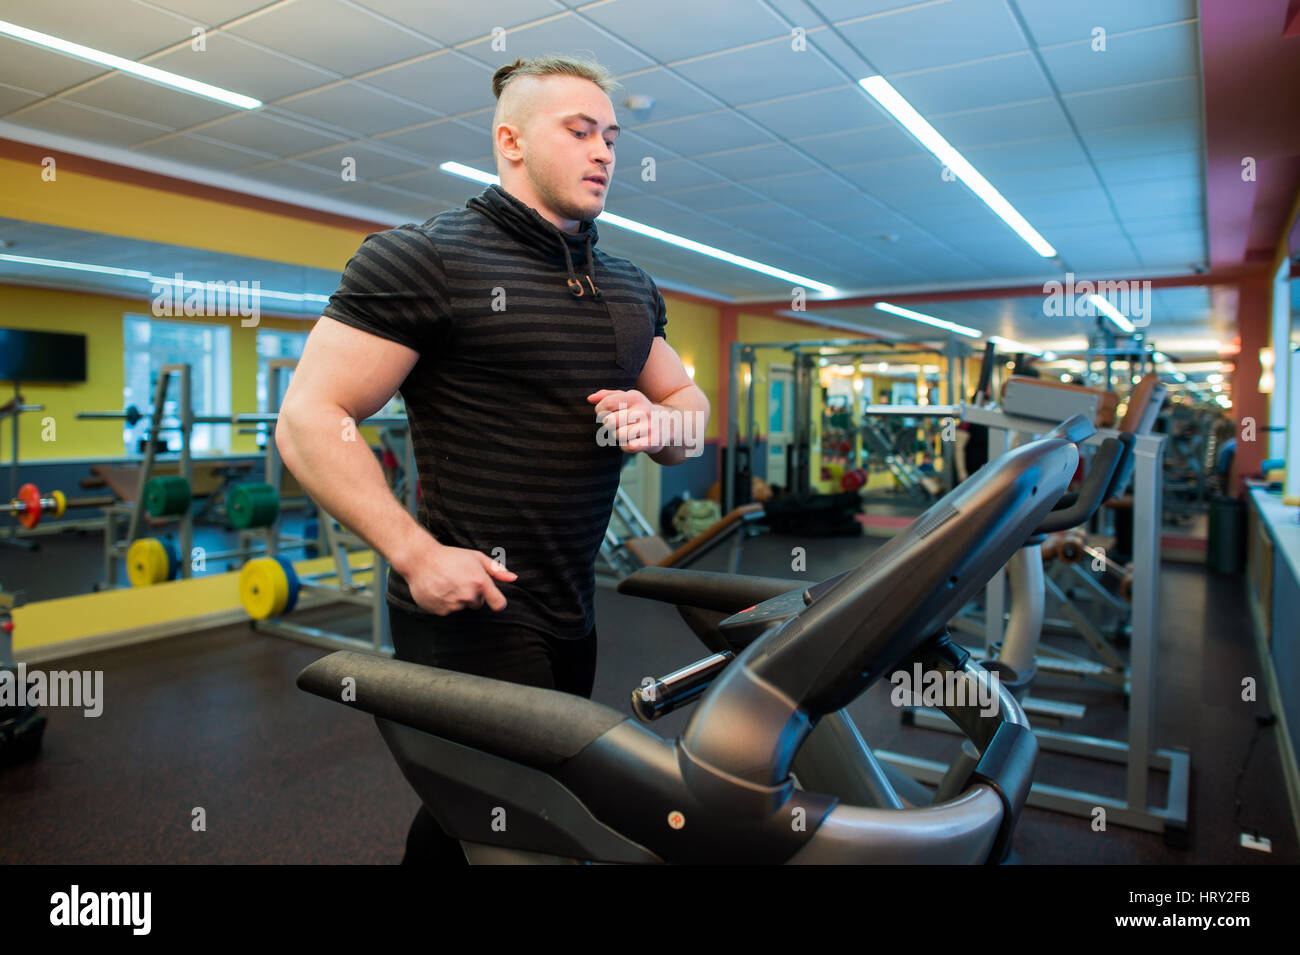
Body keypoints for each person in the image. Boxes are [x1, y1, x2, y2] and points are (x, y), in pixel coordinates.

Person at [275, 54, 709, 863]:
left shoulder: (626, 285)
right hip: (467, 605)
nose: (605, 151)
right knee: (533, 823)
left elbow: (692, 416)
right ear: (510, 141)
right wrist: (415, 553)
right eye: (579, 131)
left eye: (611, 135)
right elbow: (307, 419)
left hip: (572, 607)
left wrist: (659, 418)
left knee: (475, 814)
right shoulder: (424, 259)